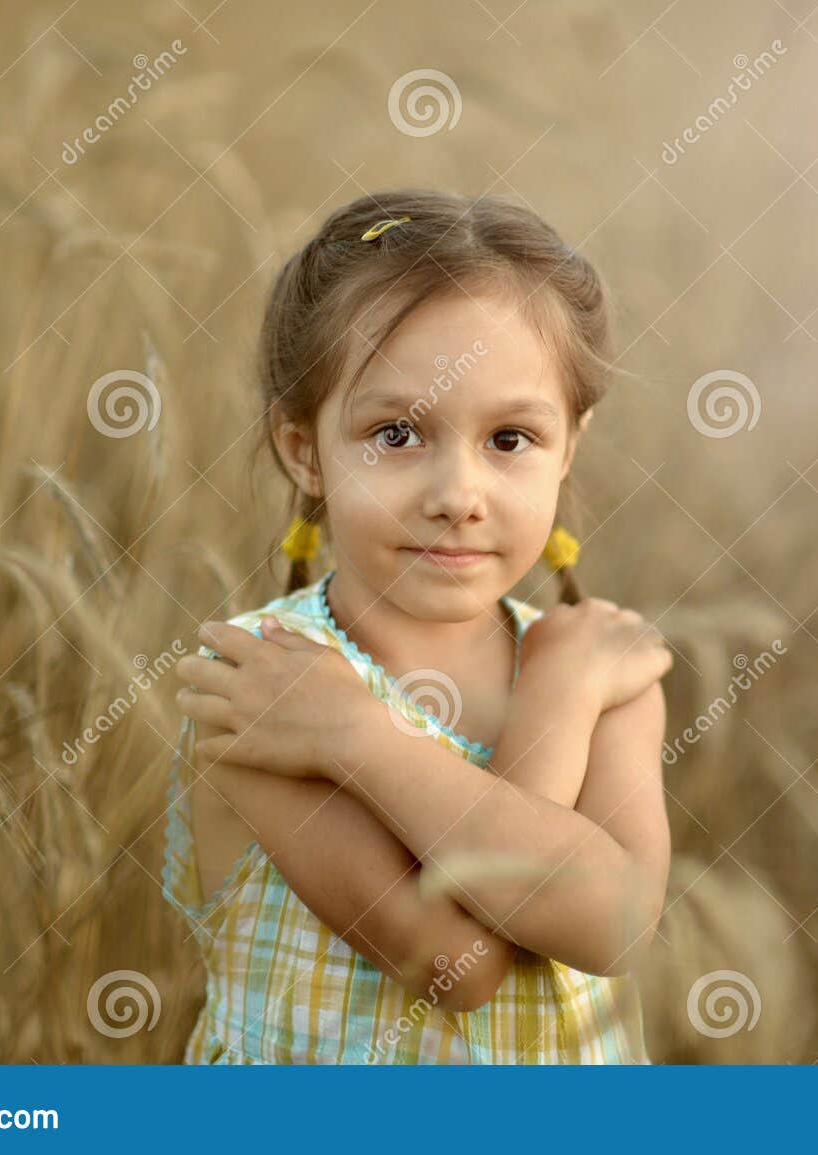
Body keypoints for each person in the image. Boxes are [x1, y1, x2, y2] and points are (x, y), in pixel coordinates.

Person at [160, 189, 674, 1063]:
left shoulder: (599, 670)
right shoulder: (260, 690)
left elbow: (616, 925)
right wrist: (359, 731)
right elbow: (458, 963)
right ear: (303, 450)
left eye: (510, 439)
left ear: (570, 446)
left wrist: (556, 684)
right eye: (396, 433)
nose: (456, 496)